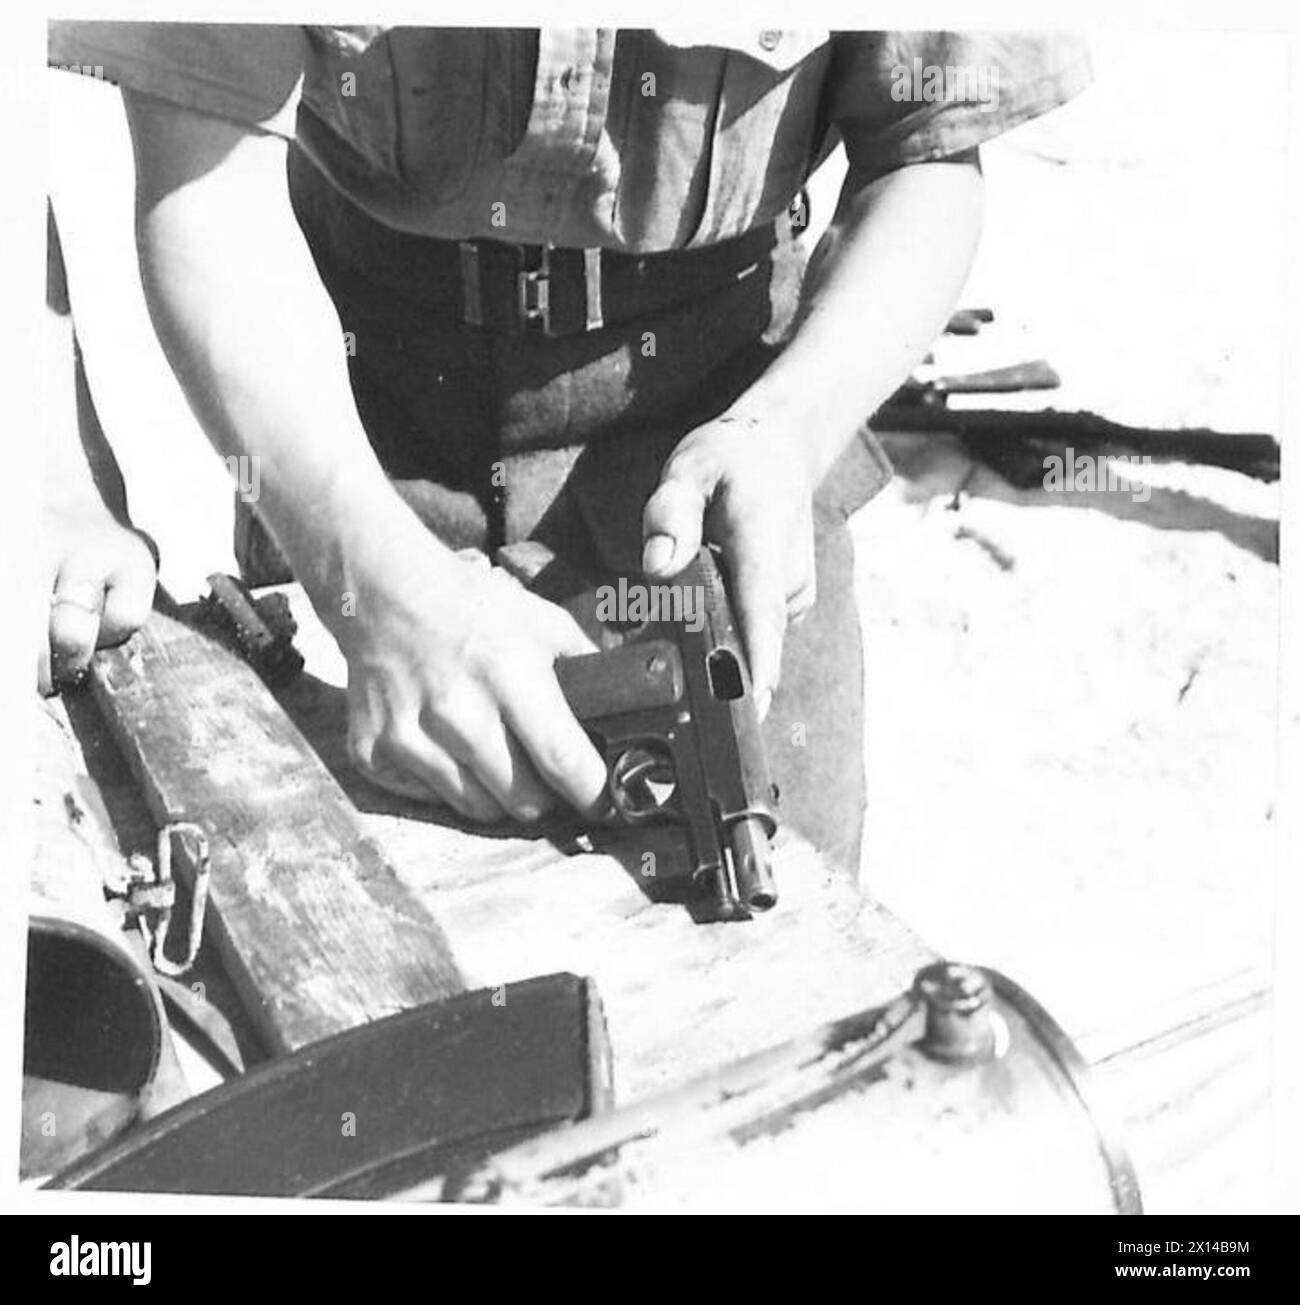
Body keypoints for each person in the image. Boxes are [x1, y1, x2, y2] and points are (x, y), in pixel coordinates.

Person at [47, 25, 1090, 873]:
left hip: (721, 458)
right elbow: (208, 186)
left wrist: (792, 426)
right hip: (349, 440)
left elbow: (926, 154)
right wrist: (371, 586)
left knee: (775, 981)